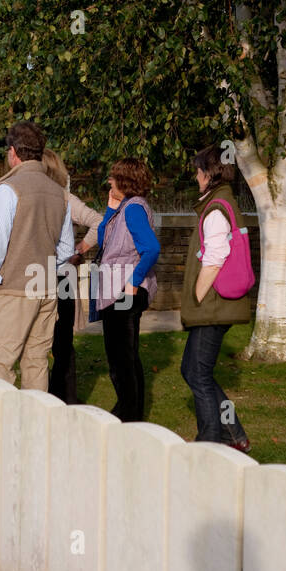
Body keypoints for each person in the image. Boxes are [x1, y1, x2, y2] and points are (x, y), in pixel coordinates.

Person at [0, 122, 74, 390]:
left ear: (13, 152)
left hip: (13, 290)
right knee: (36, 362)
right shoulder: (60, 193)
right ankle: (37, 429)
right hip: (46, 287)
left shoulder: (9, 188)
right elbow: (65, 250)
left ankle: (0, 429)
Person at [180, 145, 251, 453]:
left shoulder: (216, 209)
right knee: (194, 369)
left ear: (209, 174)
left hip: (213, 303)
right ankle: (234, 434)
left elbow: (216, 256)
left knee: (197, 373)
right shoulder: (224, 202)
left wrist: (197, 294)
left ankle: (211, 441)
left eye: (198, 171)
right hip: (219, 303)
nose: (196, 177)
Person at [90, 158, 160, 422]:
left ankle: (130, 417)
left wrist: (133, 283)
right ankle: (128, 411)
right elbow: (104, 241)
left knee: (123, 358)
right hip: (118, 290)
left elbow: (151, 248)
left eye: (113, 177)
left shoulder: (133, 209)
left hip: (125, 292)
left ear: (124, 181)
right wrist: (109, 209)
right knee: (120, 356)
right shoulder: (125, 208)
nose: (109, 181)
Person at [41, 149, 102, 404]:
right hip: (40, 275)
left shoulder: (67, 199)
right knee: (44, 341)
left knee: (62, 342)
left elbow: (100, 222)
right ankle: (52, 397)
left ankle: (65, 399)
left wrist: (80, 250)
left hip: (60, 276)